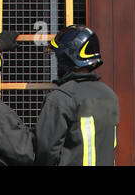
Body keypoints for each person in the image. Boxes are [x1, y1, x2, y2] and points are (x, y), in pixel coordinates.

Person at [34, 25, 120, 166]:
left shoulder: (61, 98)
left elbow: (45, 152)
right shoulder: (110, 96)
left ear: (67, 58)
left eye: (58, 57)